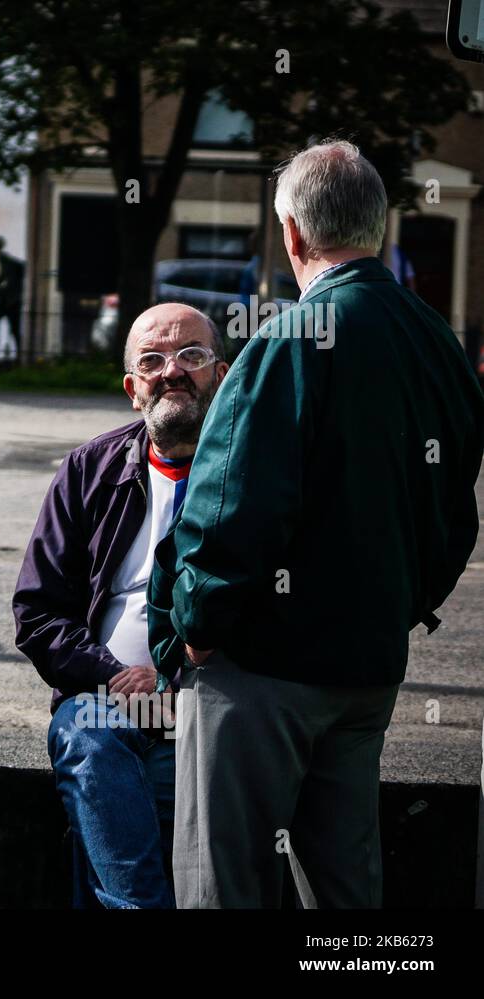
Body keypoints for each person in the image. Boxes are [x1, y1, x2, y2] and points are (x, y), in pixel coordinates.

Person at [149, 140, 484, 908]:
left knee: (225, 884)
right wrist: (400, 604)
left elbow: (230, 503)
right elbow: (455, 509)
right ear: (378, 225)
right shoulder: (438, 343)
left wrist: (196, 625)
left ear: (293, 235)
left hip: (260, 668)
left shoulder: (288, 340)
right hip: (368, 668)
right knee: (343, 892)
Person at [13, 303, 228, 909]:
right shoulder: (89, 468)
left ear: (223, 371)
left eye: (192, 355)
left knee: (113, 810)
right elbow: (37, 612)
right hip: (105, 701)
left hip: (210, 703)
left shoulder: (251, 474)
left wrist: (178, 681)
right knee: (91, 738)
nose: (173, 372)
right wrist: (115, 677)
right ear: (133, 389)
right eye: (152, 362)